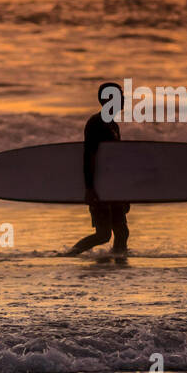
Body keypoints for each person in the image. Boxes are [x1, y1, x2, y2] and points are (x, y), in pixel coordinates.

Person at [67, 82, 130, 255]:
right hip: (99, 187)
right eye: (120, 96)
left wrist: (124, 194)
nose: (124, 99)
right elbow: (89, 156)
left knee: (122, 233)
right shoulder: (96, 123)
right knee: (103, 235)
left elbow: (116, 162)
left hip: (113, 187)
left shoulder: (112, 125)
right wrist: (90, 189)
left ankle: (119, 264)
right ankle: (69, 254)